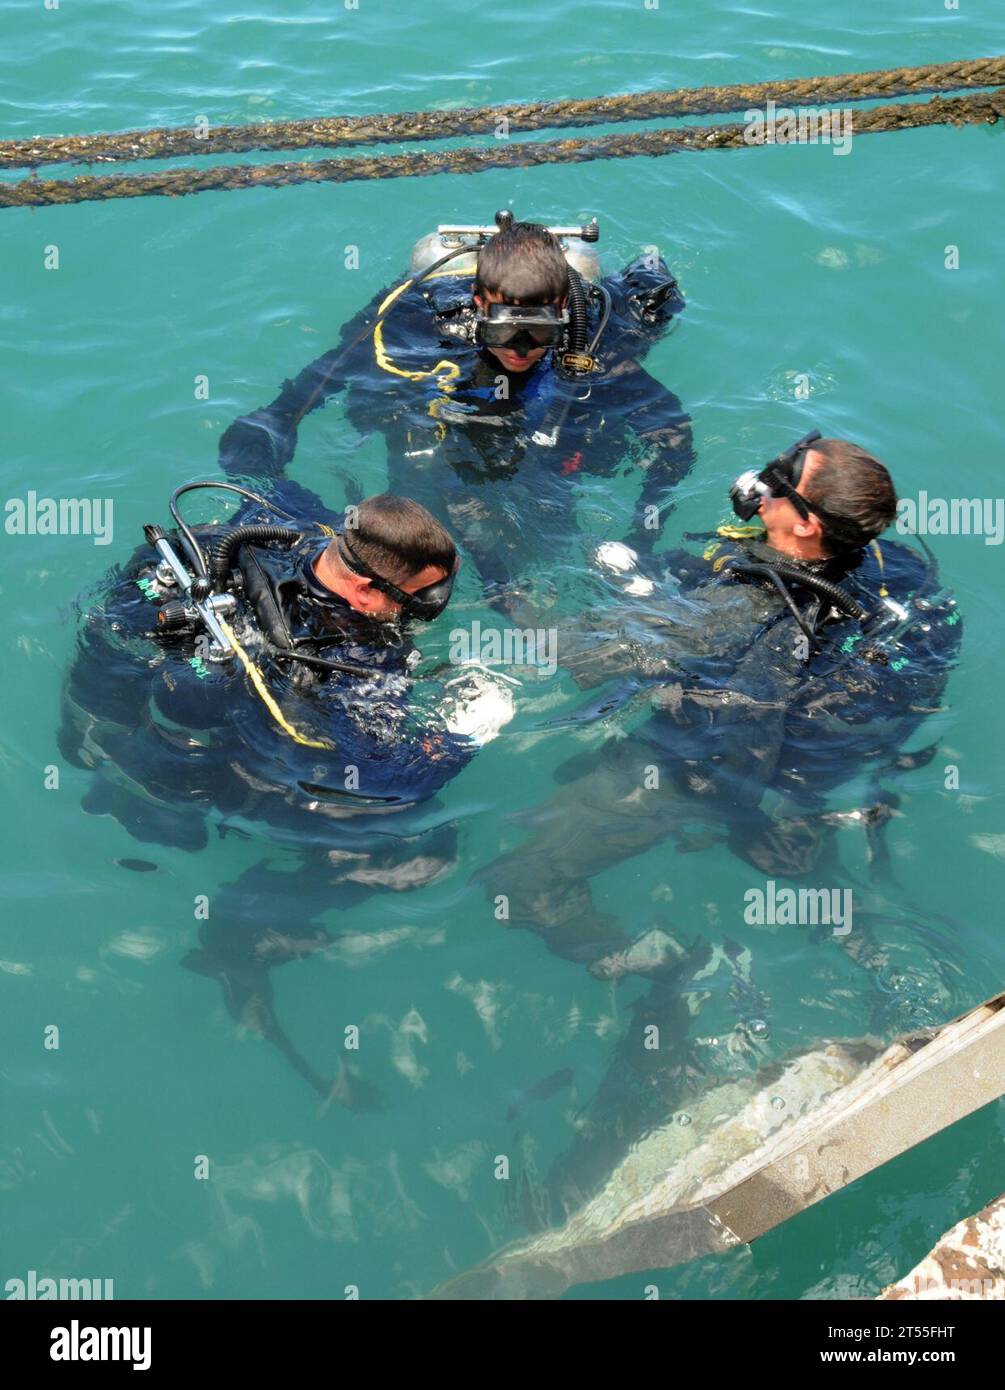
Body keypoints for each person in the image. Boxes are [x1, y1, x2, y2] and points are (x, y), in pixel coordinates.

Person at [59, 487, 513, 1105]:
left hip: (111, 707)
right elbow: (391, 777)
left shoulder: (271, 533)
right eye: (426, 603)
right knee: (428, 841)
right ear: (363, 591)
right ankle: (247, 933)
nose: (429, 613)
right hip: (209, 773)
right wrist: (463, 735)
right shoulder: (350, 659)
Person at [476, 432, 963, 975]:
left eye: (781, 480)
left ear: (807, 525)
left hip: (701, 766)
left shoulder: (743, 609)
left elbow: (579, 653)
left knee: (518, 879)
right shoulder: (891, 566)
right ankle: (827, 889)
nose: (766, 480)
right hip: (809, 769)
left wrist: (499, 584)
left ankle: (646, 964)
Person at [216, 218, 696, 596]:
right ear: (478, 301)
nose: (522, 349)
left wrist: (643, 536)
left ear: (562, 310)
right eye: (506, 329)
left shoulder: (591, 337)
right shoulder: (413, 327)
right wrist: (268, 473)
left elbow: (675, 438)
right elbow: (296, 402)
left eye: (539, 331)